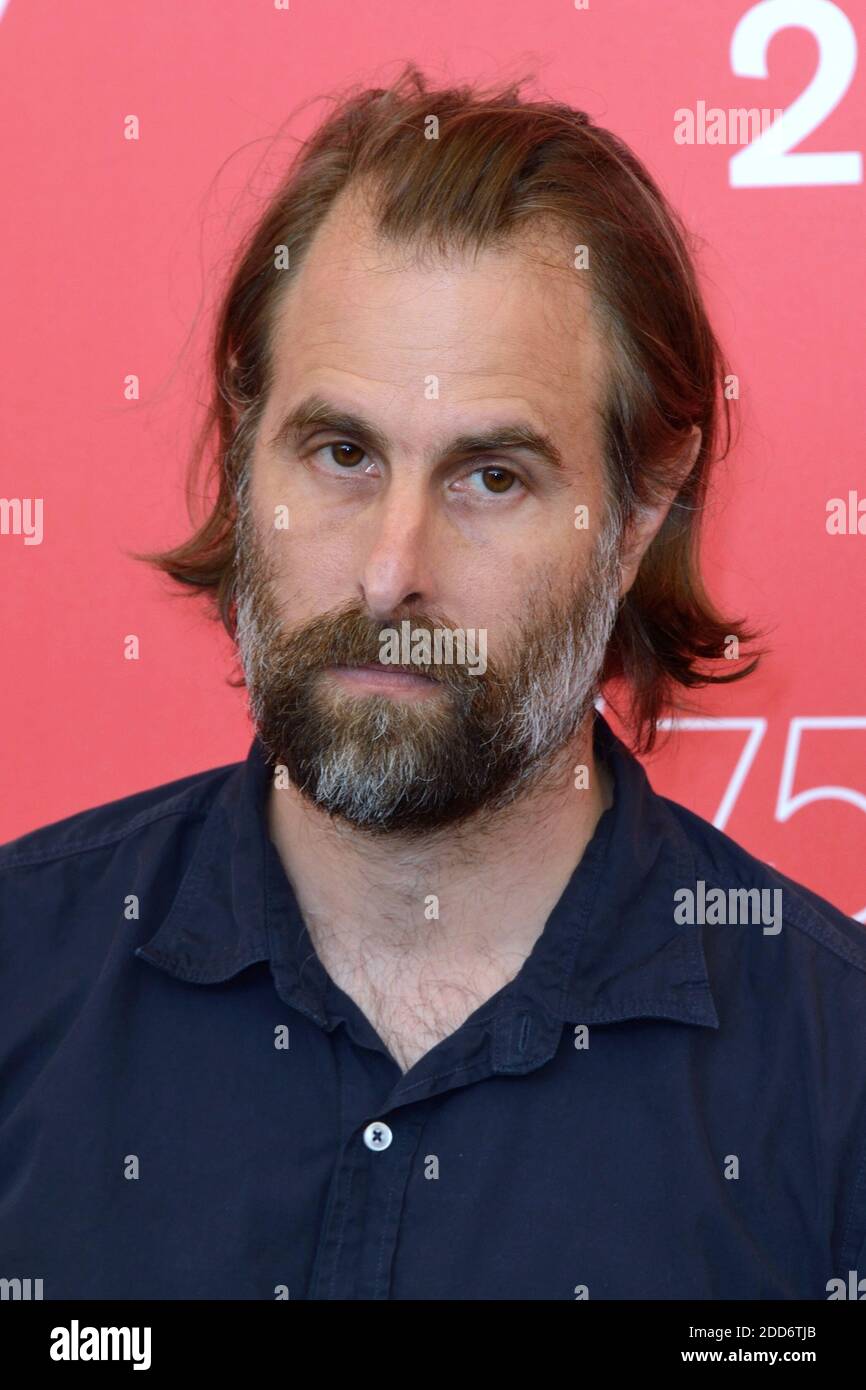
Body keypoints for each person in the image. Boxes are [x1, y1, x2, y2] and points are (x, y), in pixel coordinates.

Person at [1, 65, 864, 1302]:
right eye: (342, 453)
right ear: (245, 452)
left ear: (637, 514)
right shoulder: (21, 972)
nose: (388, 574)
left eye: (490, 477)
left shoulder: (833, 1086)